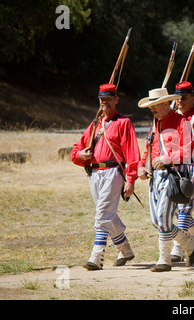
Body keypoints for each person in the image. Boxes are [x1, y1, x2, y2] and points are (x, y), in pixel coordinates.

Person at [71, 83, 140, 270]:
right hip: (94, 173)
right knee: (108, 214)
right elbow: (77, 148)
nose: (104, 103)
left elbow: (132, 154)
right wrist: (79, 156)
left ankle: (97, 256)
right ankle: (125, 249)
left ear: (116, 100)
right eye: (102, 99)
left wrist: (131, 179)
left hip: (113, 172)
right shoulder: (95, 124)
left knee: (102, 213)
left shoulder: (123, 122)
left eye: (108, 99)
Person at [137, 87, 194, 272]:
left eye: (155, 106)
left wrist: (167, 158)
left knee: (164, 220)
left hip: (174, 173)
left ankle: (164, 260)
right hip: (155, 176)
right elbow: (149, 150)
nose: (152, 109)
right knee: (156, 221)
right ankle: (190, 244)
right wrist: (142, 166)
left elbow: (189, 150)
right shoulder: (155, 124)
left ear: (166, 104)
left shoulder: (183, 122)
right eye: (151, 107)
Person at [170, 81, 194, 263]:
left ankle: (178, 248)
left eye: (184, 98)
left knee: (184, 210)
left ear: (193, 98)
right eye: (177, 98)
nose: (180, 102)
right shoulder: (171, 116)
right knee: (177, 212)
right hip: (175, 167)